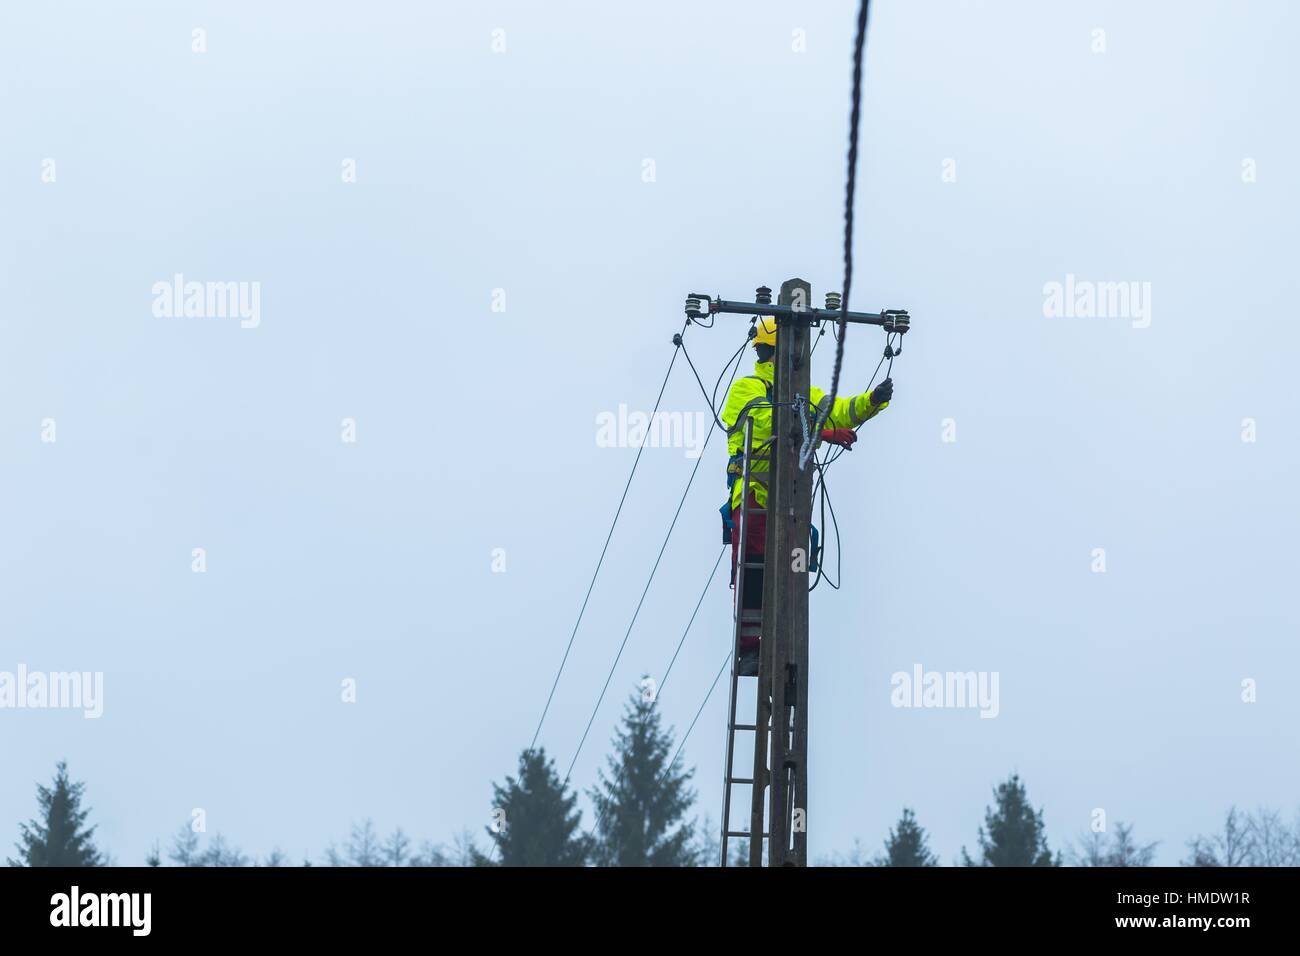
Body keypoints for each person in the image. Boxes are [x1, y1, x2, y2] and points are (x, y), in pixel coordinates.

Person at [720, 316, 894, 675]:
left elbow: (838, 410)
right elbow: (770, 423)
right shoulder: (746, 389)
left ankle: (784, 648)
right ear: (774, 351)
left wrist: (871, 402)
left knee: (791, 568)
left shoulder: (802, 394)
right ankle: (750, 649)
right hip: (753, 495)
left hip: (789, 502)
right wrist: (819, 429)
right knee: (757, 568)